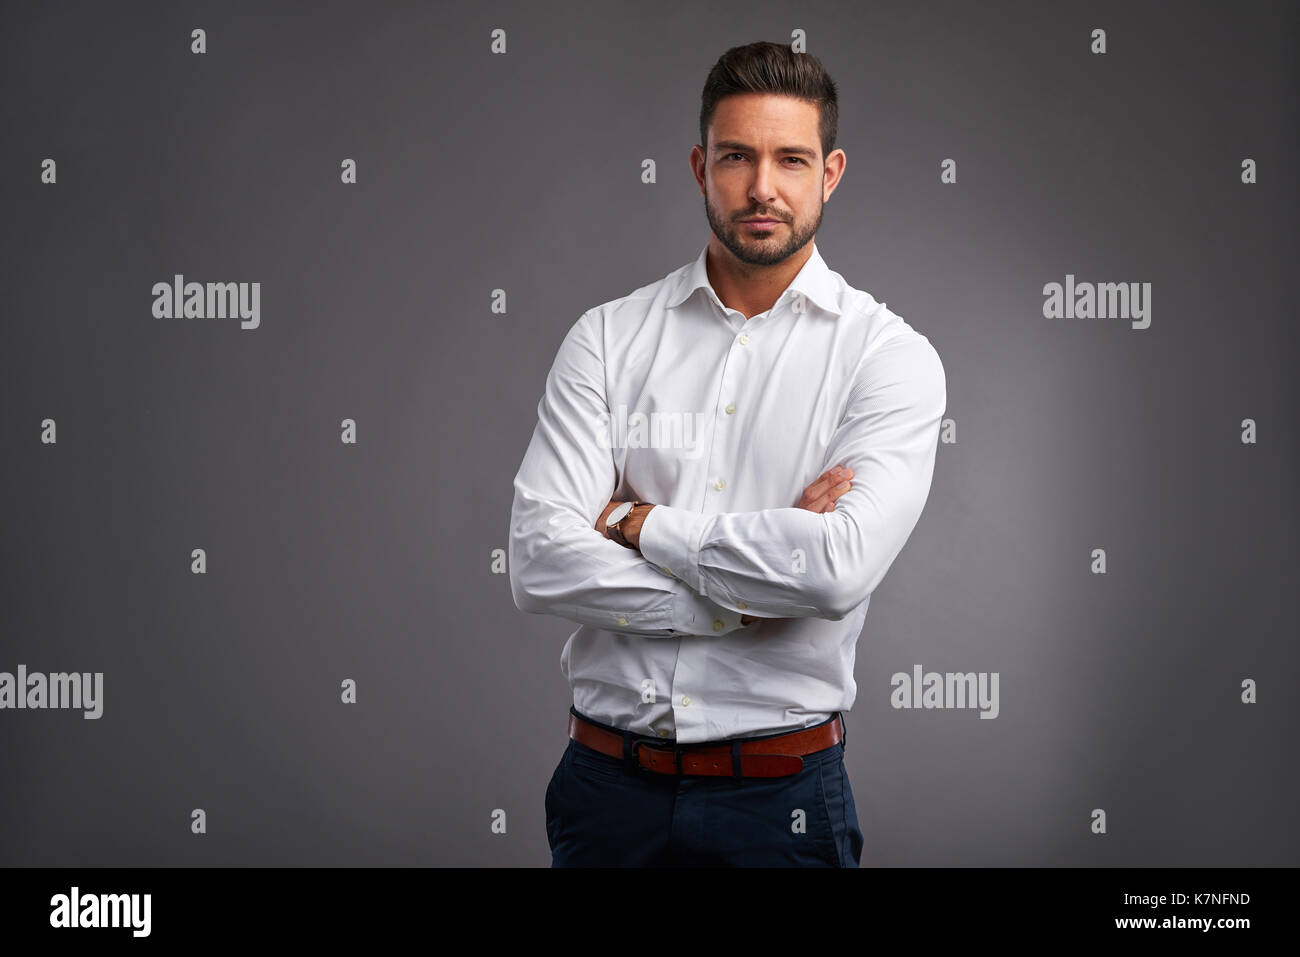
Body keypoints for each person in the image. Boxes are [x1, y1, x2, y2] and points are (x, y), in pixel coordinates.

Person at [508, 40, 947, 867]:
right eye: (737, 157)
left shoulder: (888, 358)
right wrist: (744, 597)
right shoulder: (607, 338)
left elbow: (834, 569)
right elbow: (537, 559)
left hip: (781, 799)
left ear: (832, 171)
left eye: (791, 158)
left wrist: (637, 522)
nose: (762, 187)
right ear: (698, 166)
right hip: (605, 793)